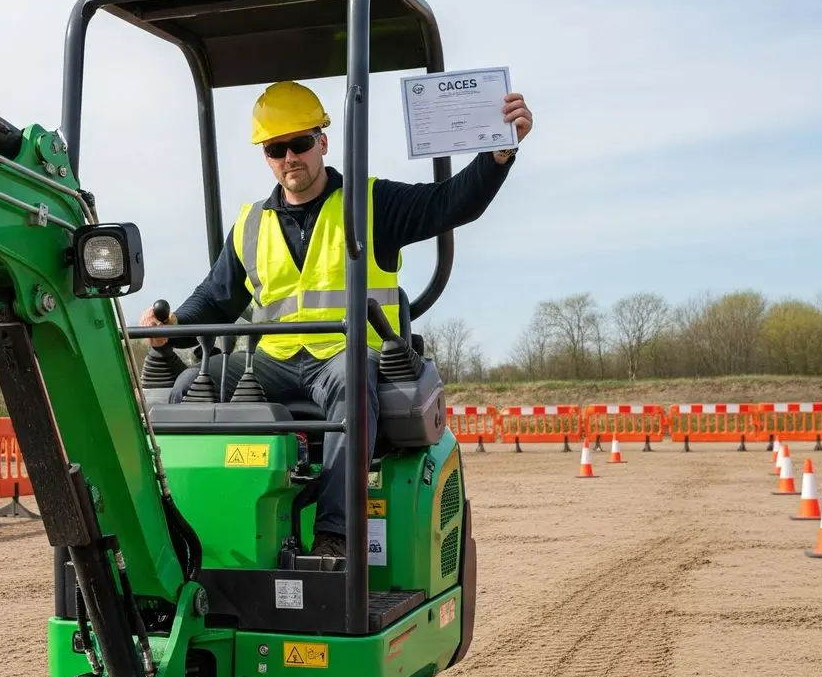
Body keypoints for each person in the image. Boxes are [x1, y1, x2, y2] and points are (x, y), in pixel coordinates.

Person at [141, 80, 532, 556]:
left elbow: (451, 202)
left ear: (322, 142)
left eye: (300, 143)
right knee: (188, 387)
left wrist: (497, 156)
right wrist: (173, 326)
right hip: (272, 364)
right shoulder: (249, 224)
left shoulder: (373, 204)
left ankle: (335, 534)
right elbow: (215, 297)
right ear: (265, 155)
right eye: (276, 148)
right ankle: (184, 533)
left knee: (352, 378)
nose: (290, 157)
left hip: (346, 358)